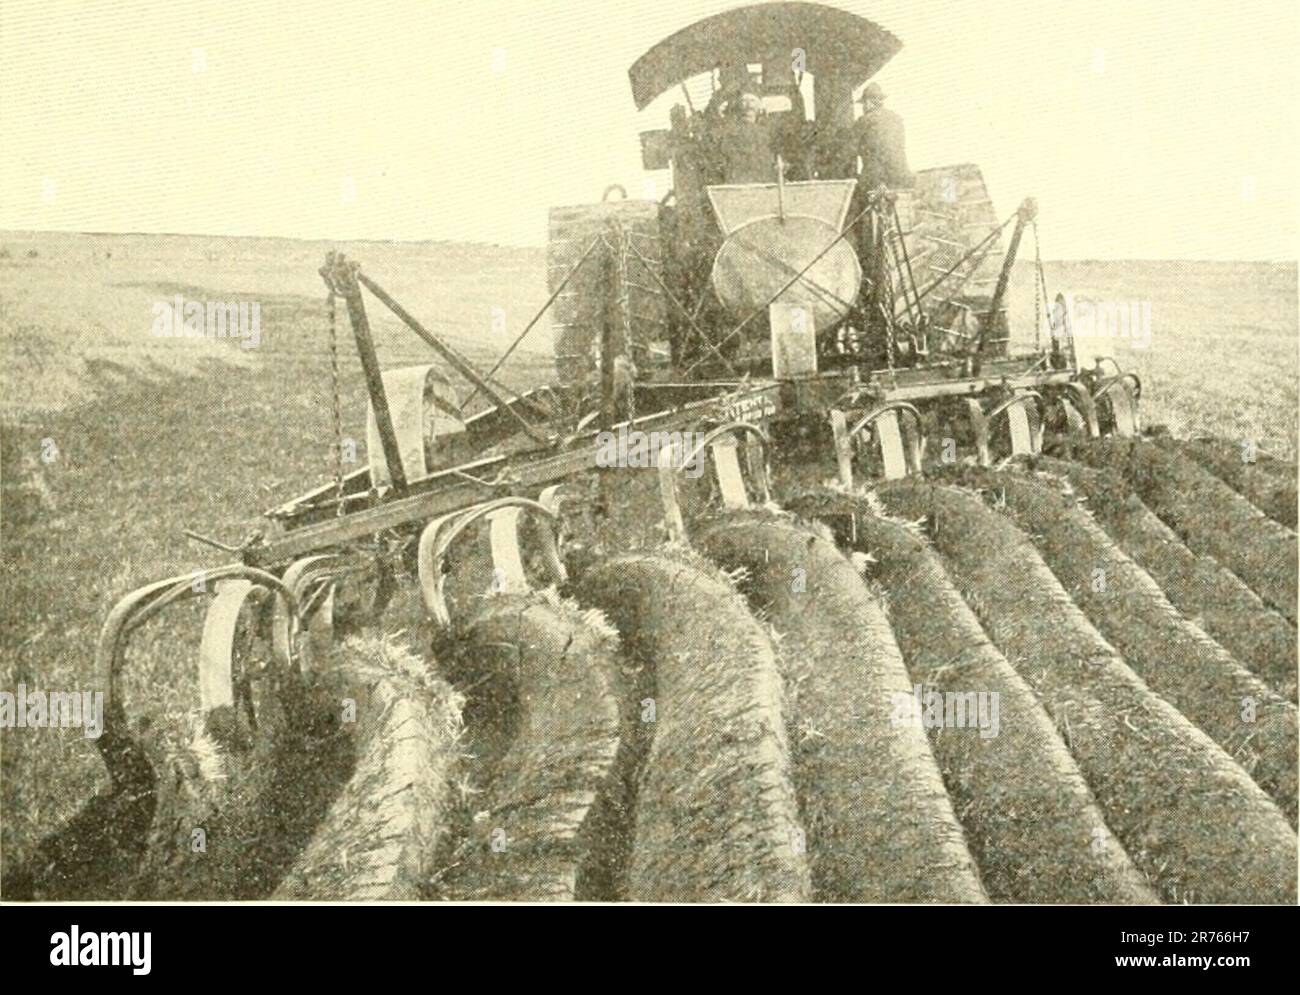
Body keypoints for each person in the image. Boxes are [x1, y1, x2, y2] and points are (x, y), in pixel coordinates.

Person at [857, 83, 911, 188]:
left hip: (875, 178)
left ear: (869, 102)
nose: (863, 107)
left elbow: (852, 148)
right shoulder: (897, 119)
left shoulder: (864, 121)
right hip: (900, 176)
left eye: (863, 103)